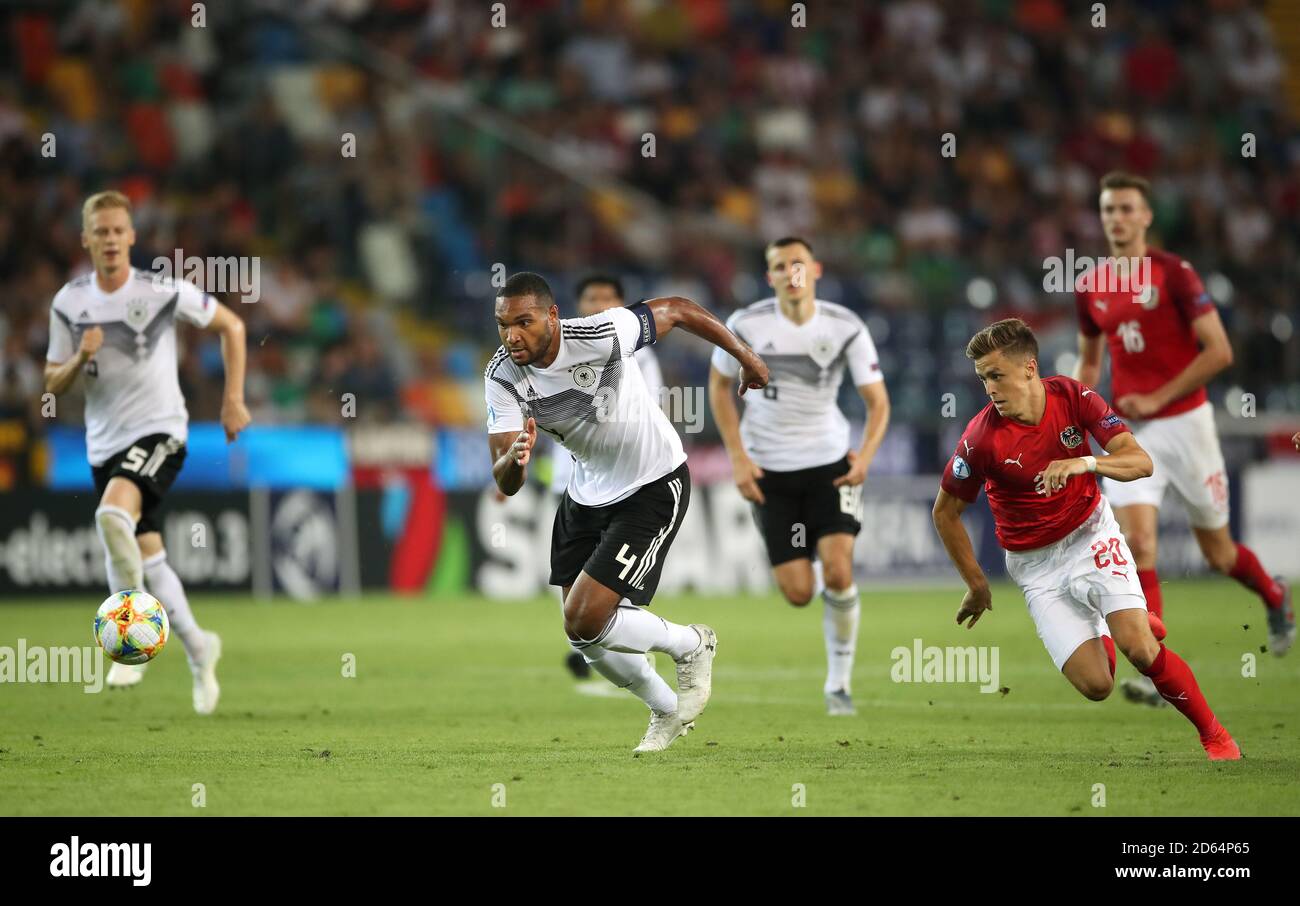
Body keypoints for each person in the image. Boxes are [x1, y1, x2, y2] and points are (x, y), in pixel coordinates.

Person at [485, 272, 769, 752]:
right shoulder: (502, 376)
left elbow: (678, 307)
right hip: (586, 491)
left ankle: (692, 644)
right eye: (503, 324)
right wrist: (514, 460)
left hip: (652, 482)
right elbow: (506, 481)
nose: (512, 336)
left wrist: (746, 356)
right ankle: (666, 710)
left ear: (552, 316)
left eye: (524, 322)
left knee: (585, 617)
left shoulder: (601, 334)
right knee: (583, 637)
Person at [933, 318, 1240, 761]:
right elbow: (945, 512)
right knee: (1098, 686)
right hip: (1035, 566)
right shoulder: (981, 439)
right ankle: (1117, 619)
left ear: (1028, 369)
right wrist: (977, 584)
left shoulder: (1075, 397)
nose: (989, 389)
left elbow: (1140, 462)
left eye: (996, 375)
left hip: (1091, 536)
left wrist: (1087, 463)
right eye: (983, 379)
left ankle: (1215, 736)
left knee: (1142, 650)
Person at [1074, 171, 1293, 707]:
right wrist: (1067, 419)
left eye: (1127, 208)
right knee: (1139, 543)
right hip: (1131, 434)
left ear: (1146, 216)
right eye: (1108, 210)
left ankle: (1273, 595)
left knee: (1218, 554)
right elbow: (1088, 363)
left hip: (1187, 425)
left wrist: (1158, 396)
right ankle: (1152, 671)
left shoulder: (1175, 275)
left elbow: (1219, 351)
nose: (1117, 218)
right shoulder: (1090, 286)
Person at [44, 191, 251, 713]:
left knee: (113, 515)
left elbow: (233, 326)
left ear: (132, 237)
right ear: (86, 239)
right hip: (104, 445)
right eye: (101, 232)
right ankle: (201, 650)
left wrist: (232, 400)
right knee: (151, 558)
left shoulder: (162, 291)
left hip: (161, 433)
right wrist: (79, 359)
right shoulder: (68, 304)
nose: (111, 240)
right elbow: (52, 384)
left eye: (119, 231)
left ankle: (128, 645)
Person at [708, 237, 890, 715]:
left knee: (837, 570)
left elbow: (878, 402)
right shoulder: (745, 324)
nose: (790, 272)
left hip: (830, 465)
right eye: (779, 265)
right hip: (769, 469)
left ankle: (839, 685)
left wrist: (865, 457)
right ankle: (804, 559)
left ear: (816, 270)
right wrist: (738, 458)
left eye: (798, 263)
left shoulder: (846, 326)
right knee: (798, 593)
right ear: (769, 276)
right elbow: (719, 386)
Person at [552, 275, 667, 681]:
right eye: (591, 298)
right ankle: (592, 650)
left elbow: (643, 411)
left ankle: (648, 650)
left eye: (608, 299)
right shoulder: (555, 351)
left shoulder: (637, 354)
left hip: (628, 482)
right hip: (575, 484)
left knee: (606, 588)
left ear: (622, 307)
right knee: (574, 589)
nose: (600, 305)